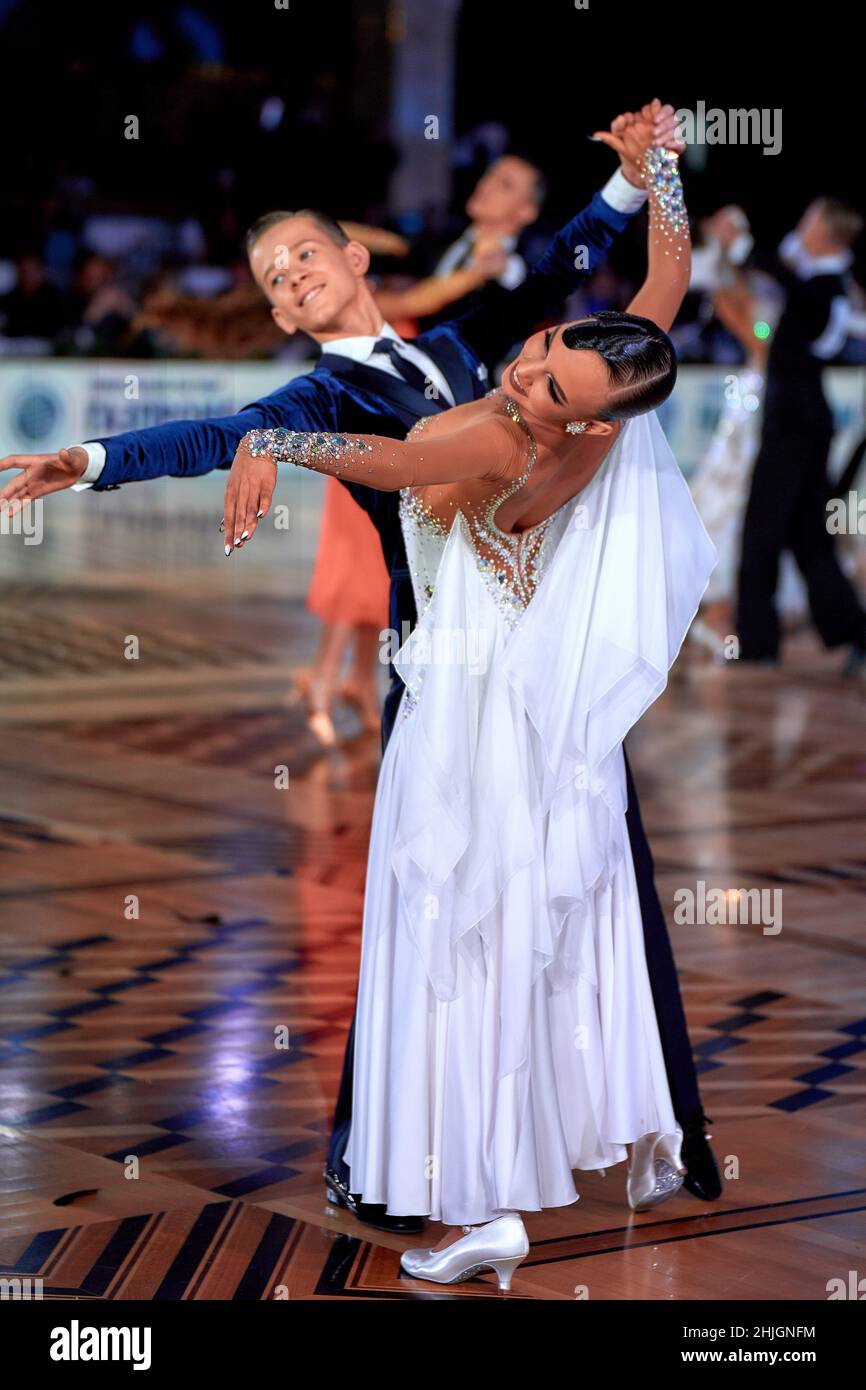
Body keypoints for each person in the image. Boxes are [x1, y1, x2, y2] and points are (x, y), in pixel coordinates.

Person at [0, 101, 722, 1234]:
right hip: (437, 665)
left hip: (541, 668)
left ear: (351, 254)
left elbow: (566, 268)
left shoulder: (468, 351)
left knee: (597, 892)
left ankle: (659, 1117)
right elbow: (221, 437)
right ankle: (373, 1150)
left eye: (300, 258)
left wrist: (640, 183)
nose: (287, 284)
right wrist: (91, 460)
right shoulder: (324, 394)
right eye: (269, 281)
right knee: (424, 917)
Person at [221, 139, 716, 1289]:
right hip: (533, 722)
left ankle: (484, 1202)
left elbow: (390, 464)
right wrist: (665, 169)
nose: (529, 370)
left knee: (461, 948)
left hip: (469, 720)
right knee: (541, 939)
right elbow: (667, 283)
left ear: (580, 422)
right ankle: (609, 1138)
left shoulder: (511, 433)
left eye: (551, 385)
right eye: (543, 347)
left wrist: (275, 438)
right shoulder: (609, 404)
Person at [722, 199, 866, 669]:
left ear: (824, 230)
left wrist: (743, 244)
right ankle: (853, 631)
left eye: (808, 219)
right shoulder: (821, 283)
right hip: (803, 423)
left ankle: (758, 644)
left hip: (796, 426)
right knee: (808, 536)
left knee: (763, 527)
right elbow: (788, 284)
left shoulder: (826, 287)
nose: (801, 227)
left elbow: (798, 293)